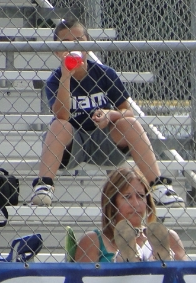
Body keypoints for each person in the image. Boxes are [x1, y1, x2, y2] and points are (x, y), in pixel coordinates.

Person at [31, 18, 183, 208]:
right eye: (67, 43)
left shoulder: (104, 74)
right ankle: (44, 185)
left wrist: (110, 115)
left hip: (104, 141)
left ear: (88, 44)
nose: (74, 47)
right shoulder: (55, 79)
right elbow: (62, 115)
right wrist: (66, 77)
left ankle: (158, 186)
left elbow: (128, 112)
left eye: (79, 40)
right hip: (73, 146)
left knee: (129, 123)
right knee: (58, 125)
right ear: (57, 51)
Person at [74, 165, 186, 263]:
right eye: (127, 197)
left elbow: (186, 280)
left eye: (140, 196)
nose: (135, 203)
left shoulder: (168, 237)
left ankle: (158, 258)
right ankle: (126, 259)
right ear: (112, 204)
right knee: (128, 261)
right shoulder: (93, 241)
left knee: (161, 250)